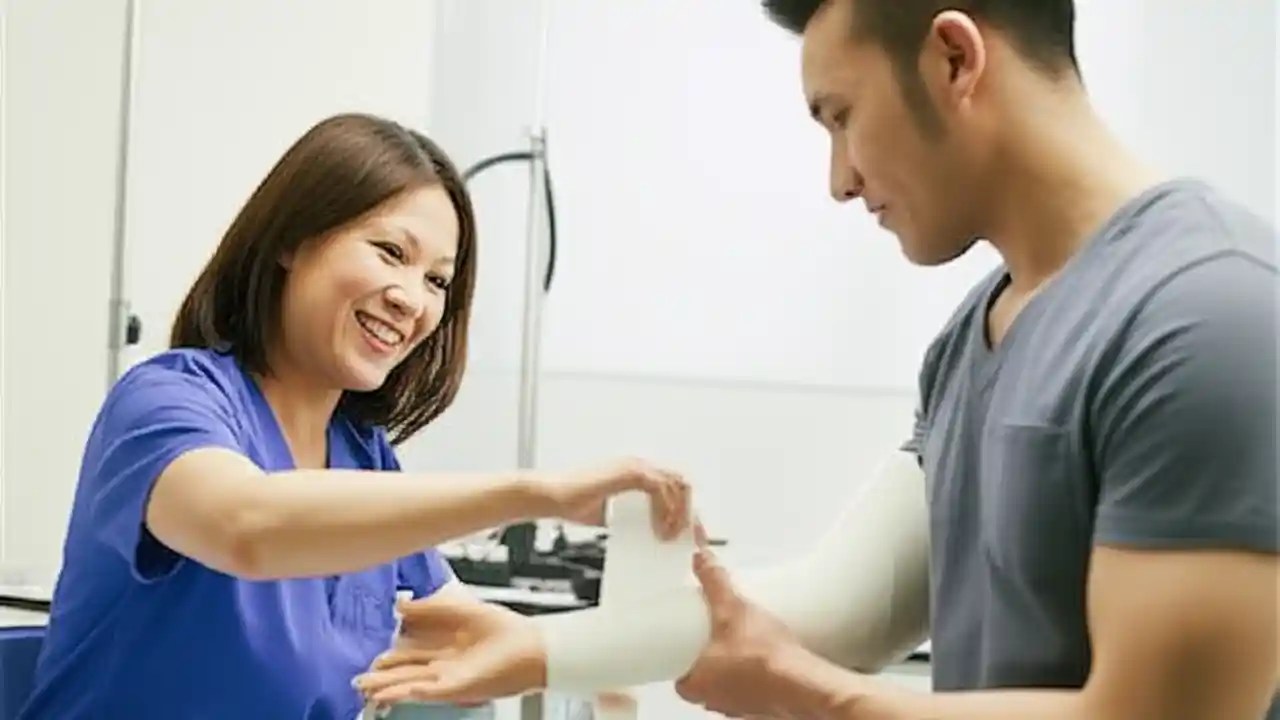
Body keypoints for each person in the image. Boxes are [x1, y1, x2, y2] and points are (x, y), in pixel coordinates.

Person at [352, 0, 1280, 718]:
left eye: (839, 116)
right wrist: (541, 643)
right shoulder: (974, 337)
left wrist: (816, 698)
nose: (839, 179)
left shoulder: (1208, 313)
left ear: (955, 57)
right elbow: (852, 604)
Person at [17, 112, 692, 719]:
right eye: (391, 253)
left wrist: (656, 638)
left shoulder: (363, 456)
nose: (412, 300)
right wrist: (536, 492)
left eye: (437, 281)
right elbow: (248, 527)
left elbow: (469, 638)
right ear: (292, 241)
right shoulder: (167, 404)